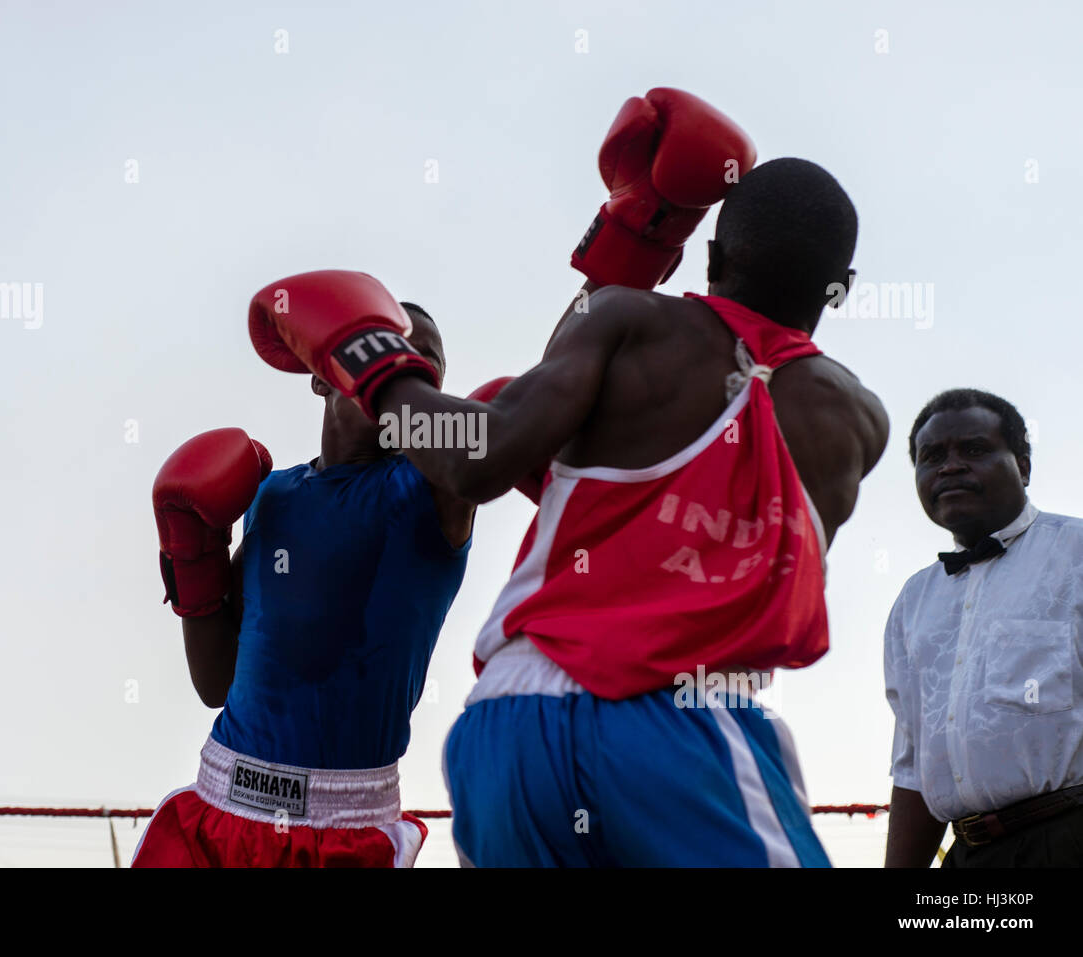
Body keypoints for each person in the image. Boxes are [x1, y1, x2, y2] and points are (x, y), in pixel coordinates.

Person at [252, 152, 890, 865]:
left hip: (508, 722)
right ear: (842, 291)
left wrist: (371, 364)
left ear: (711, 252)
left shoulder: (628, 323)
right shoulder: (857, 421)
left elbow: (475, 456)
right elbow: (748, 559)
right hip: (682, 718)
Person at [131, 302, 475, 868]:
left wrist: (382, 373)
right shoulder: (273, 495)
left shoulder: (436, 489)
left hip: (344, 830)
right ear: (320, 377)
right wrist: (194, 564)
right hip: (218, 808)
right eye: (379, 348)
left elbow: (480, 441)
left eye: (422, 365)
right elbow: (216, 683)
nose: (399, 368)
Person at [883, 389, 1083, 868]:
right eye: (931, 457)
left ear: (1024, 467)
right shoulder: (913, 602)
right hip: (968, 857)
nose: (949, 467)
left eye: (973, 450)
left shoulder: (1075, 556)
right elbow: (914, 769)